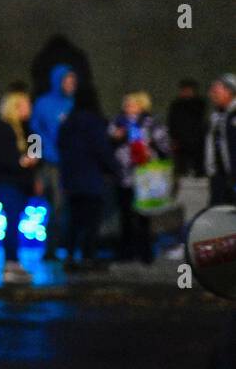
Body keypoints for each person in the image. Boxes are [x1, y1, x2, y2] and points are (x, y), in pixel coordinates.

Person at [56, 84, 117, 270]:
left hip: (72, 178)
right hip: (91, 177)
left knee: (74, 219)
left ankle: (70, 255)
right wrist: (113, 168)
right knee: (91, 220)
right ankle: (88, 256)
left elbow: (60, 146)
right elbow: (102, 149)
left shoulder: (68, 122)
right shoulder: (94, 121)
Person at [0, 90, 39, 285]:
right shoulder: (0, 127)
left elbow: (37, 152)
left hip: (22, 182)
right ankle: (11, 261)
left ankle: (14, 261)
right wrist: (20, 161)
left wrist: (33, 159)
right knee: (12, 218)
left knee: (15, 219)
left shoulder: (29, 129)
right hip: (5, 180)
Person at [109, 91, 169, 264]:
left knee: (144, 216)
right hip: (124, 175)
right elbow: (109, 143)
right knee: (125, 215)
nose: (127, 108)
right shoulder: (117, 122)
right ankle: (126, 252)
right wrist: (116, 138)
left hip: (145, 176)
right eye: (126, 104)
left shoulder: (151, 123)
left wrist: (150, 146)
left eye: (132, 104)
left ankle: (145, 252)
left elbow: (164, 146)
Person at [32, 65, 76, 261]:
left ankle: (68, 248)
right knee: (56, 207)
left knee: (68, 207)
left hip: (71, 163)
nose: (71, 85)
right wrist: (37, 161)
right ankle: (52, 249)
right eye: (67, 81)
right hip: (51, 163)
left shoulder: (74, 104)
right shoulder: (43, 104)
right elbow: (34, 132)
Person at [204, 74, 236, 207]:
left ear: (229, 91)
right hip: (219, 178)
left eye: (216, 91)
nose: (212, 95)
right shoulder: (216, 116)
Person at [168, 80, 207, 179]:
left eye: (188, 90)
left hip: (197, 139)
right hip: (180, 139)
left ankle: (199, 173)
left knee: (199, 164)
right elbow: (172, 122)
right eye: (184, 90)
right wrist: (173, 138)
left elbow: (200, 119)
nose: (186, 92)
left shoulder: (199, 103)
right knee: (181, 166)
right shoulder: (176, 105)